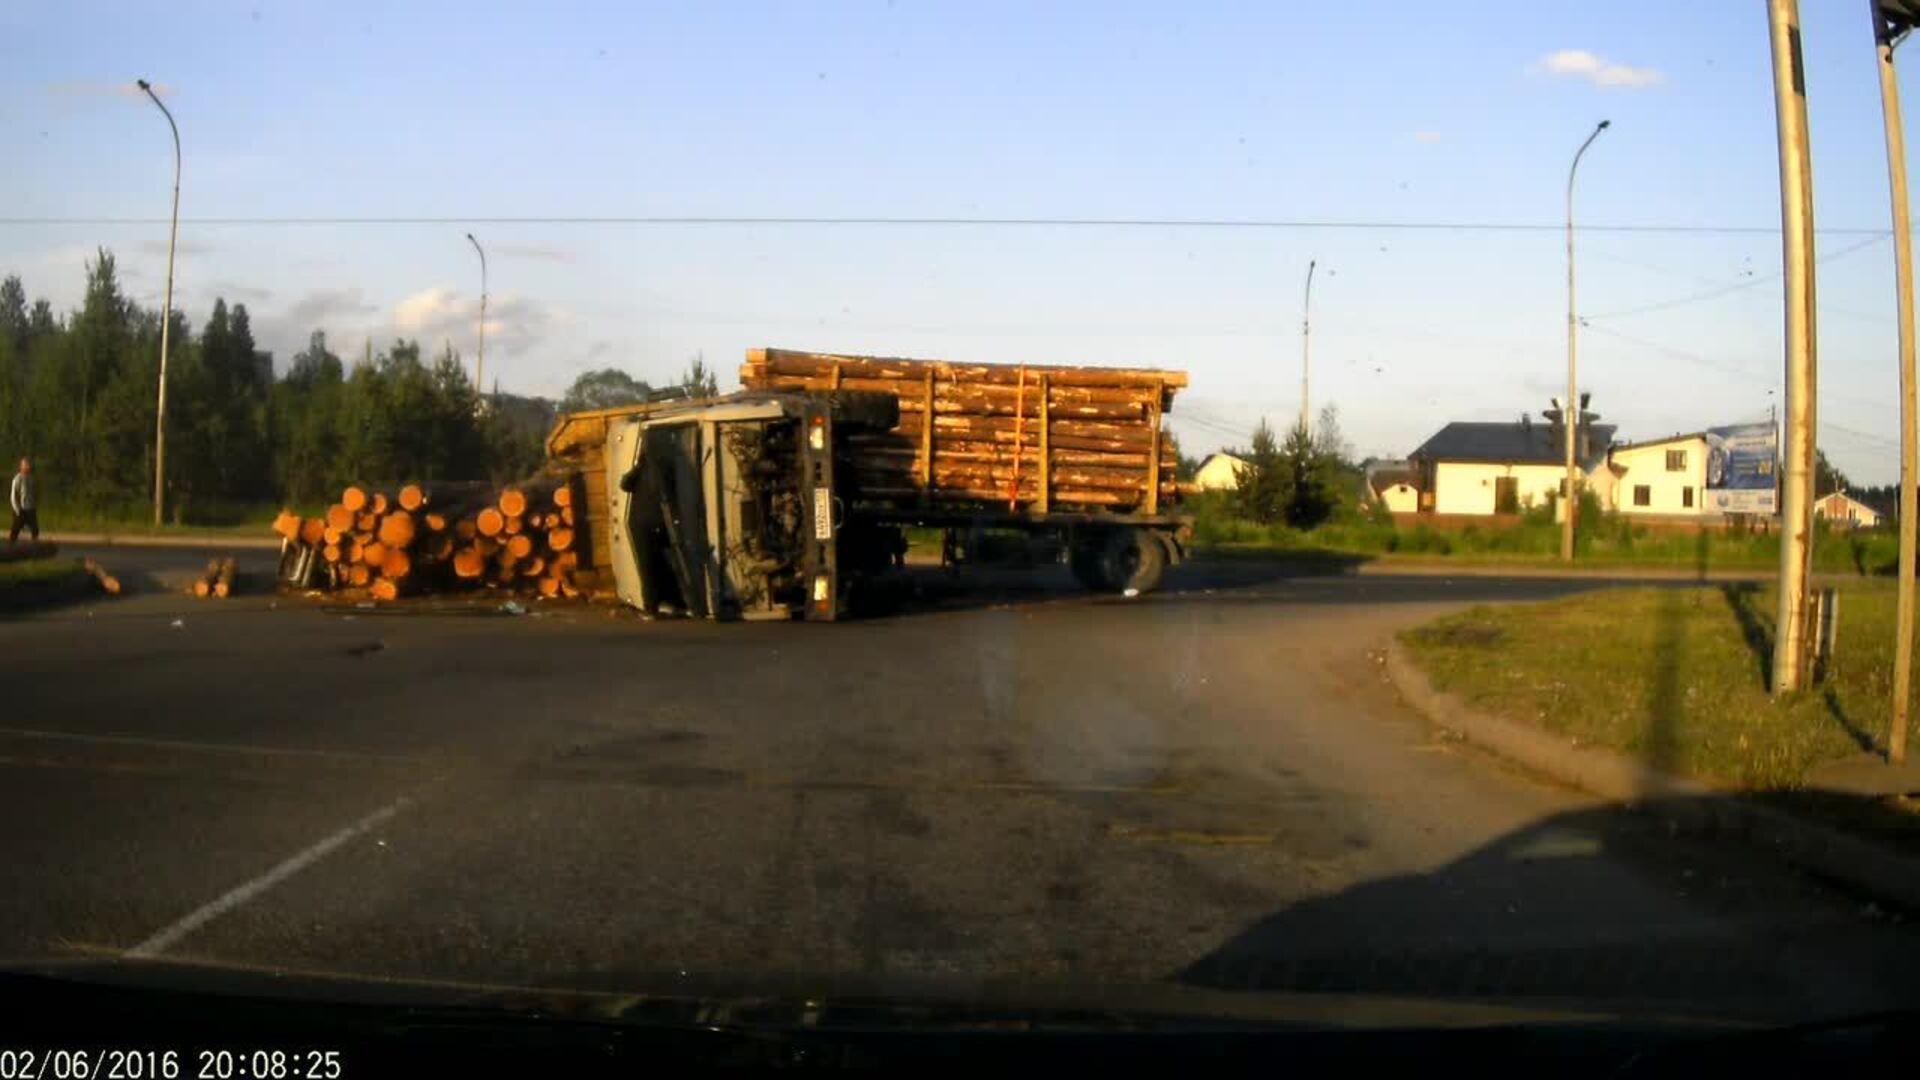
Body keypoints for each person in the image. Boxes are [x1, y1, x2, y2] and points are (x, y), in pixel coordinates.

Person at [9, 458, 38, 544]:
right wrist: (17, 509)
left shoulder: (31, 478)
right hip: (21, 509)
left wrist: (35, 504)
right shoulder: (17, 479)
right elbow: (13, 496)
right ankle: (11, 545)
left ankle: (34, 545)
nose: (28, 467)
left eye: (28, 465)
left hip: (30, 508)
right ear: (21, 467)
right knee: (16, 529)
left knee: (35, 529)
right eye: (26, 465)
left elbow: (35, 493)